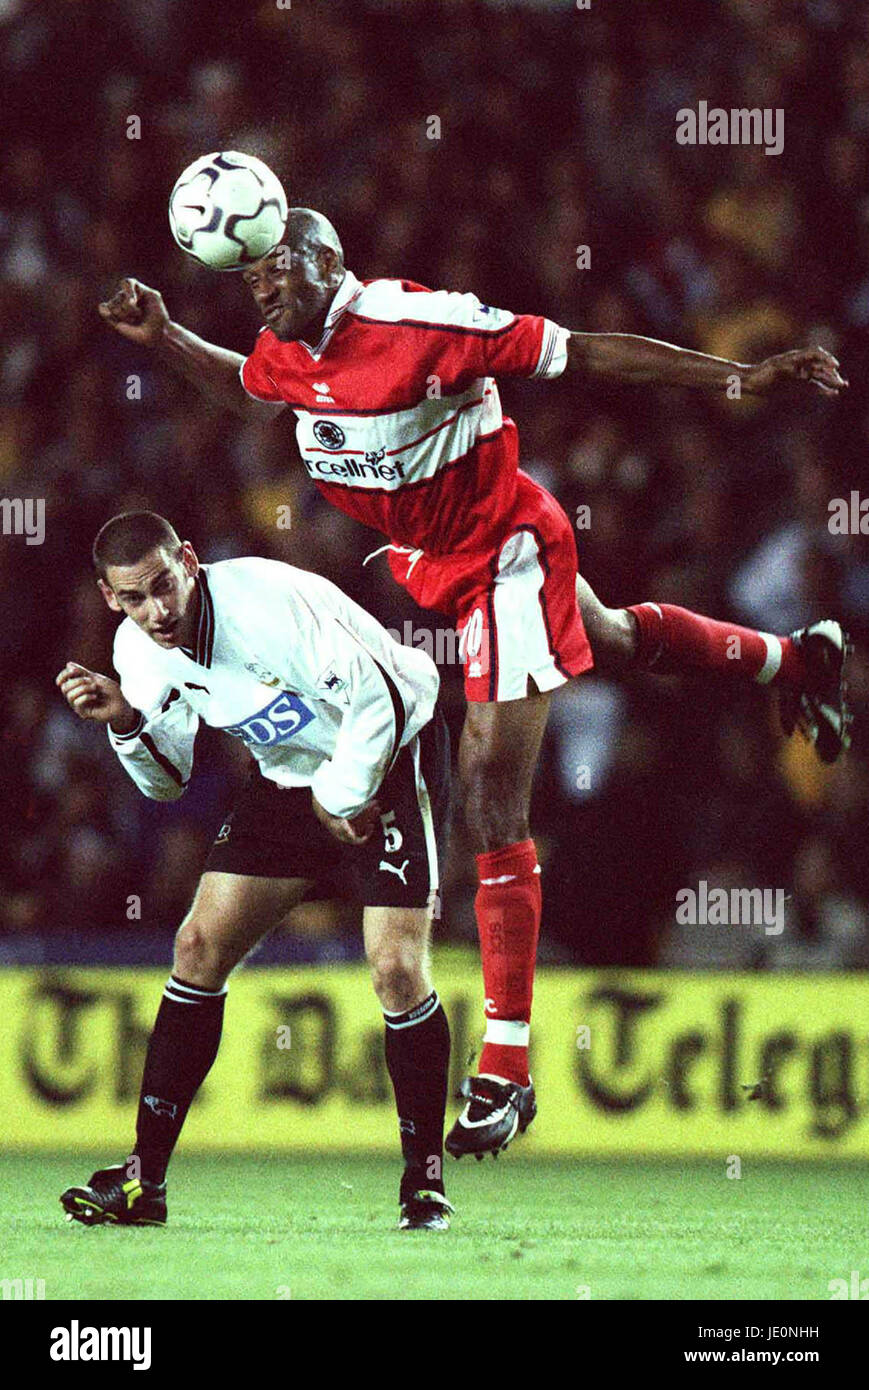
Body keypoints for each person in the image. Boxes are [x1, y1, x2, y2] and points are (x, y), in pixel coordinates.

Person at [97, 206, 850, 1159]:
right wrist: (164, 336)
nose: (260, 288)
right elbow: (251, 393)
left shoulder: (424, 325)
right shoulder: (288, 347)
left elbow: (584, 352)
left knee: (490, 792)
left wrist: (736, 375)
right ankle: (796, 658)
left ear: (331, 263)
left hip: (503, 553)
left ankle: (505, 1073)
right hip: (428, 560)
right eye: (250, 280)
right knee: (612, 636)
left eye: (278, 272)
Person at [57, 511, 454, 1231]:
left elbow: (384, 696)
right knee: (197, 947)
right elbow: (169, 779)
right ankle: (144, 1183)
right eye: (134, 599)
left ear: (189, 558)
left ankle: (423, 1182)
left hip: (391, 751)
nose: (157, 611)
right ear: (109, 598)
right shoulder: (139, 652)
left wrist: (344, 794)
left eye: (163, 586)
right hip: (288, 777)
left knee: (395, 969)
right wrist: (125, 723)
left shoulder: (268, 608)